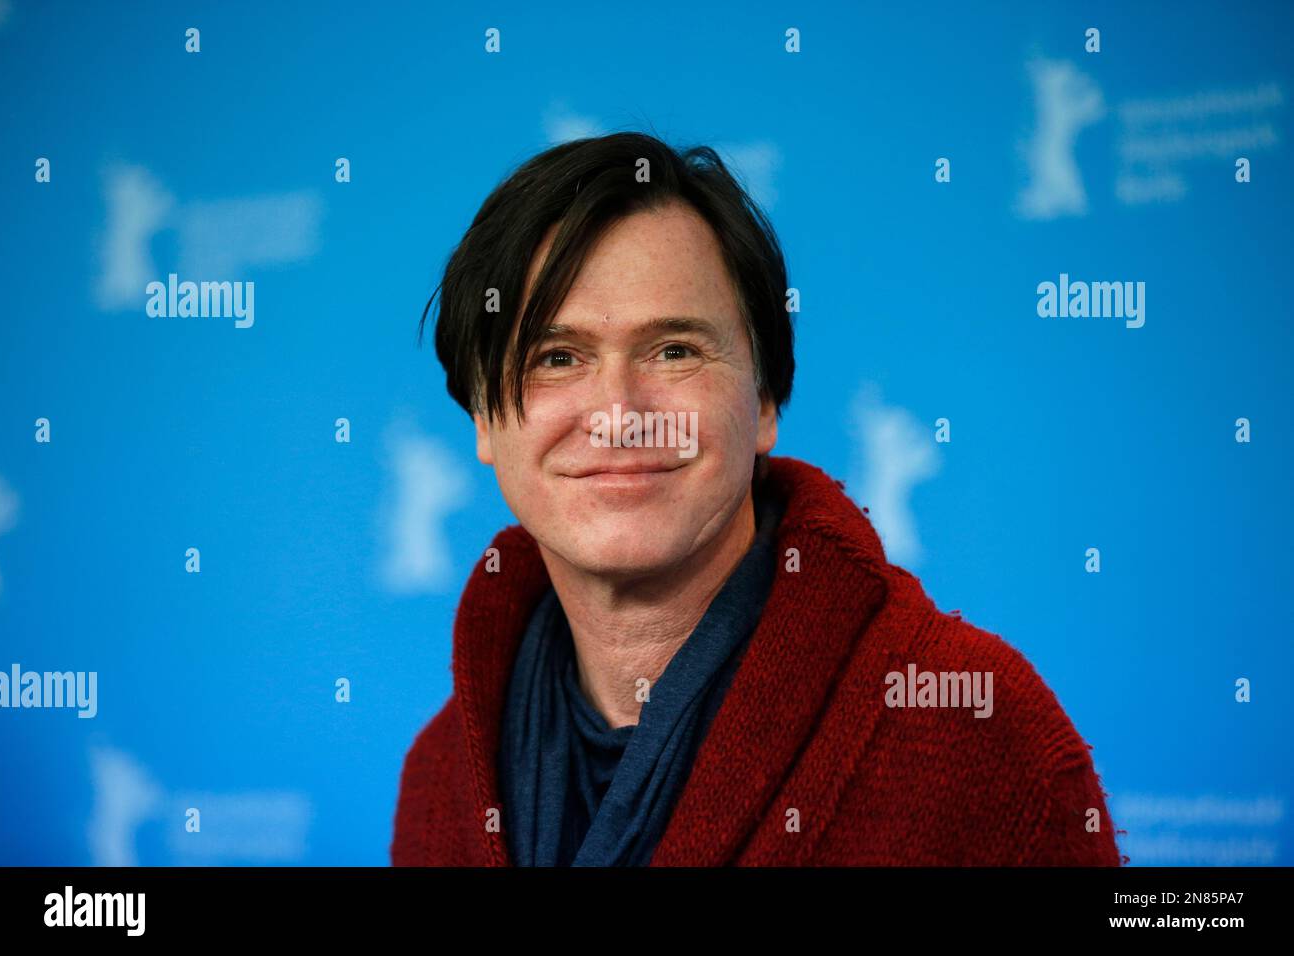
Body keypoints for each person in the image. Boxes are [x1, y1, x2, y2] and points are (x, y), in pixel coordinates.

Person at [391, 131, 1122, 866]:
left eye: (674, 350)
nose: (618, 413)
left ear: (765, 397)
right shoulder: (437, 779)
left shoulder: (975, 726)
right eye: (556, 358)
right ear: (484, 418)